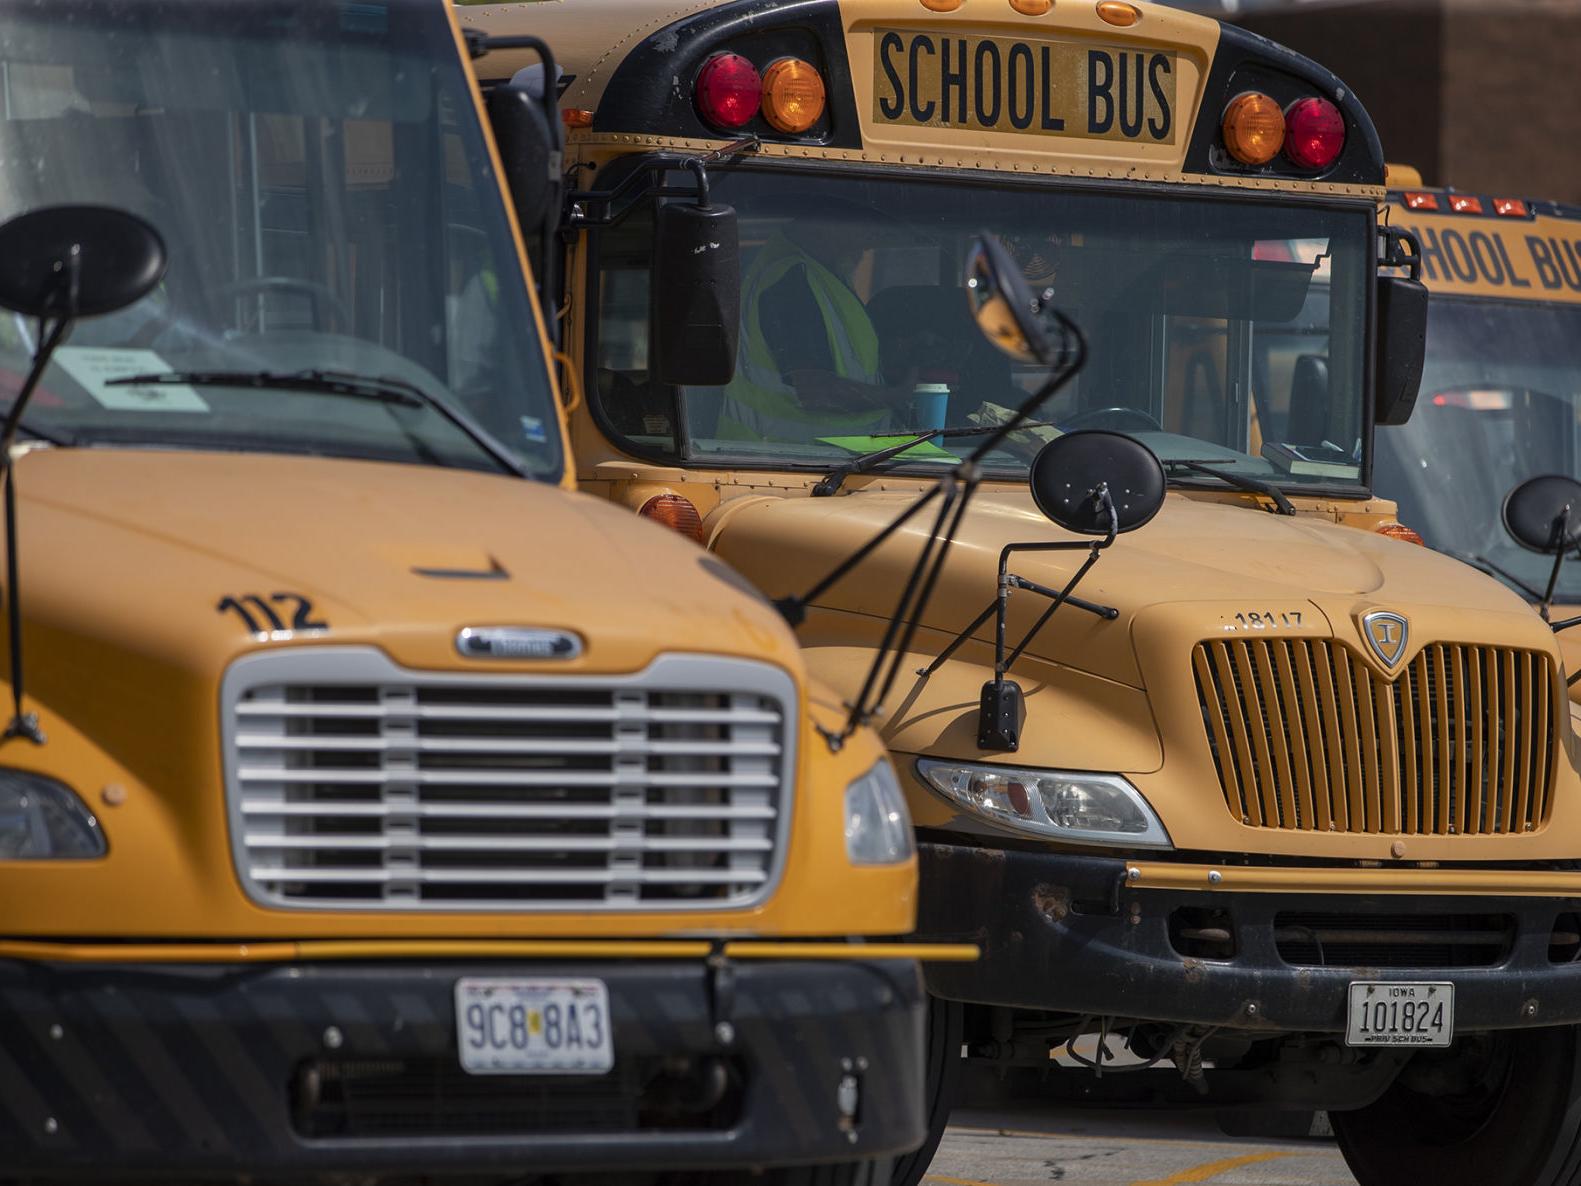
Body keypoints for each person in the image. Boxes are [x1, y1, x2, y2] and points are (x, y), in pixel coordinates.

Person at [717, 204, 920, 444]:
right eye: (860, 233)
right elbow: (815, 392)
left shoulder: (818, 276)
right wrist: (897, 395)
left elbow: (843, 362)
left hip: (819, 456)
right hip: (780, 456)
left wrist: (890, 363)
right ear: (826, 228)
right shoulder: (791, 283)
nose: (865, 247)